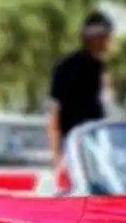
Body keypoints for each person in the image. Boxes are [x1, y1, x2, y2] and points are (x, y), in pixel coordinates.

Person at [48, 11, 113, 171]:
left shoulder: (98, 66)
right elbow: (55, 110)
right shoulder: (67, 67)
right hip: (74, 141)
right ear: (93, 37)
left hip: (94, 137)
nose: (107, 41)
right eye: (105, 37)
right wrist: (57, 154)